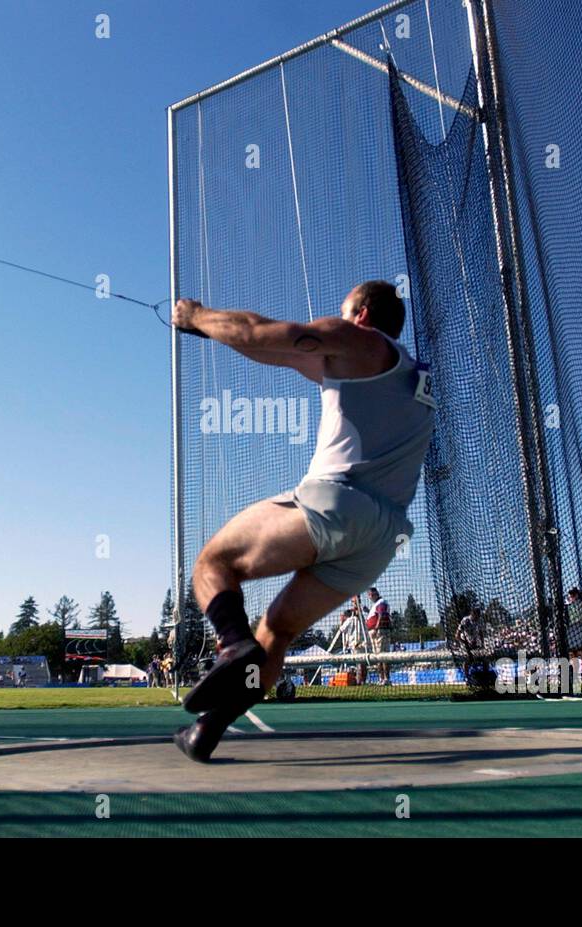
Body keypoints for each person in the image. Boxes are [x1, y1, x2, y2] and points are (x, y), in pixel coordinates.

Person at [172, 282, 435, 761]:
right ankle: (209, 727)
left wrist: (196, 317)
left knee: (214, 564)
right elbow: (279, 353)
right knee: (276, 630)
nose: (330, 319)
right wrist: (222, 335)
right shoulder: (414, 379)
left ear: (361, 314)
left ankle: (232, 644)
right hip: (382, 538)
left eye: (340, 310)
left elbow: (264, 333)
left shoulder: (362, 342)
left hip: (338, 503)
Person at [364, 587, 393, 685]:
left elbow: (381, 614)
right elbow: (376, 615)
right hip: (374, 632)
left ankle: (386, 679)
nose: (371, 597)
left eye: (373, 594)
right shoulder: (375, 605)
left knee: (383, 655)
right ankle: (381, 679)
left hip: (380, 632)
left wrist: (376, 628)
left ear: (377, 594)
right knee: (377, 657)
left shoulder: (381, 602)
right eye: (369, 595)